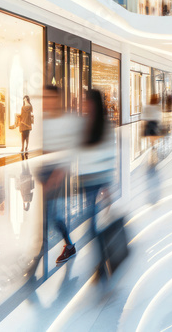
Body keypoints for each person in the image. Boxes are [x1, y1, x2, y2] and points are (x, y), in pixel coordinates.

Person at [55, 90, 115, 277]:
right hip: (85, 180)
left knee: (91, 226)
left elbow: (109, 155)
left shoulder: (104, 126)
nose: (84, 105)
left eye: (86, 102)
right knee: (91, 224)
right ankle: (102, 260)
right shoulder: (82, 124)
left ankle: (102, 263)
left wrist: (108, 186)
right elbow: (73, 149)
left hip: (97, 180)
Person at [42, 87, 85, 264]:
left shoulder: (66, 120)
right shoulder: (46, 119)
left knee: (54, 214)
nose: (45, 100)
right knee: (50, 213)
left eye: (48, 97)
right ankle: (47, 247)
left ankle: (68, 245)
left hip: (58, 175)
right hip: (46, 172)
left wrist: (56, 177)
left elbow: (69, 150)